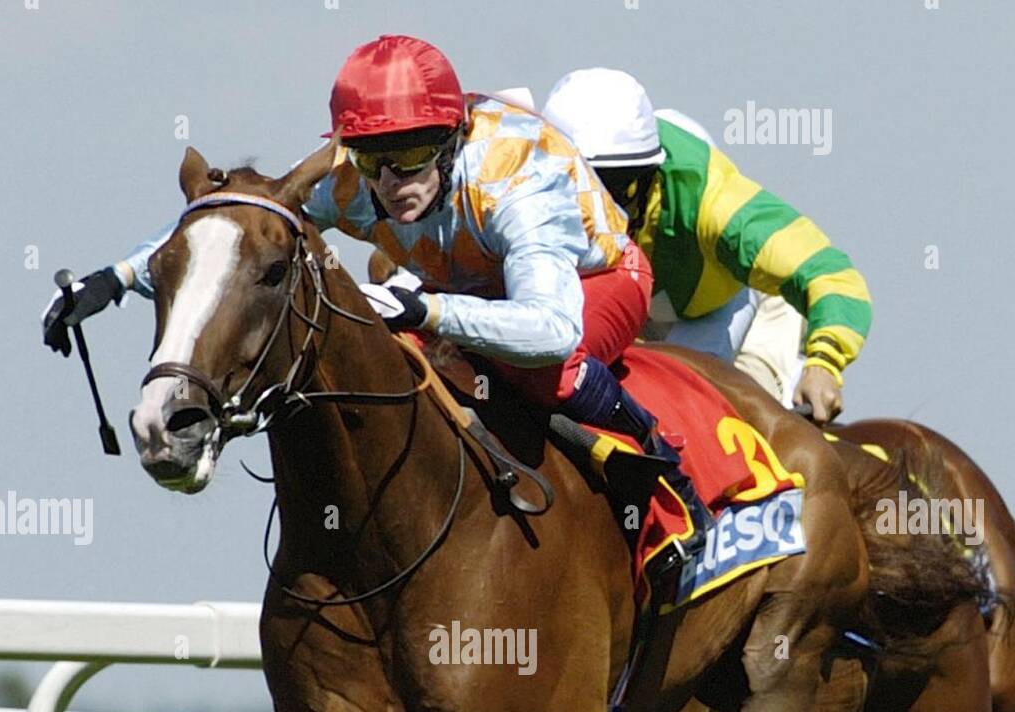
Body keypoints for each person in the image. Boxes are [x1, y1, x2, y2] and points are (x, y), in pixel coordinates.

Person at [43, 35, 715, 559]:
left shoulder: (515, 176)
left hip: (593, 283)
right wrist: (117, 279)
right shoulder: (357, 180)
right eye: (373, 159)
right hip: (466, 285)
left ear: (452, 137)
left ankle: (662, 478)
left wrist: (426, 310)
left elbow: (549, 327)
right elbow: (241, 221)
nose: (395, 183)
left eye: (416, 153)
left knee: (535, 371)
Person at [541, 69, 873, 423]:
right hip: (636, 309)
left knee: (681, 407)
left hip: (723, 307)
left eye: (612, 187)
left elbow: (832, 273)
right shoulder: (519, 177)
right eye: (572, 182)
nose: (593, 206)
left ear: (648, 176)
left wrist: (823, 364)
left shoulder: (714, 205)